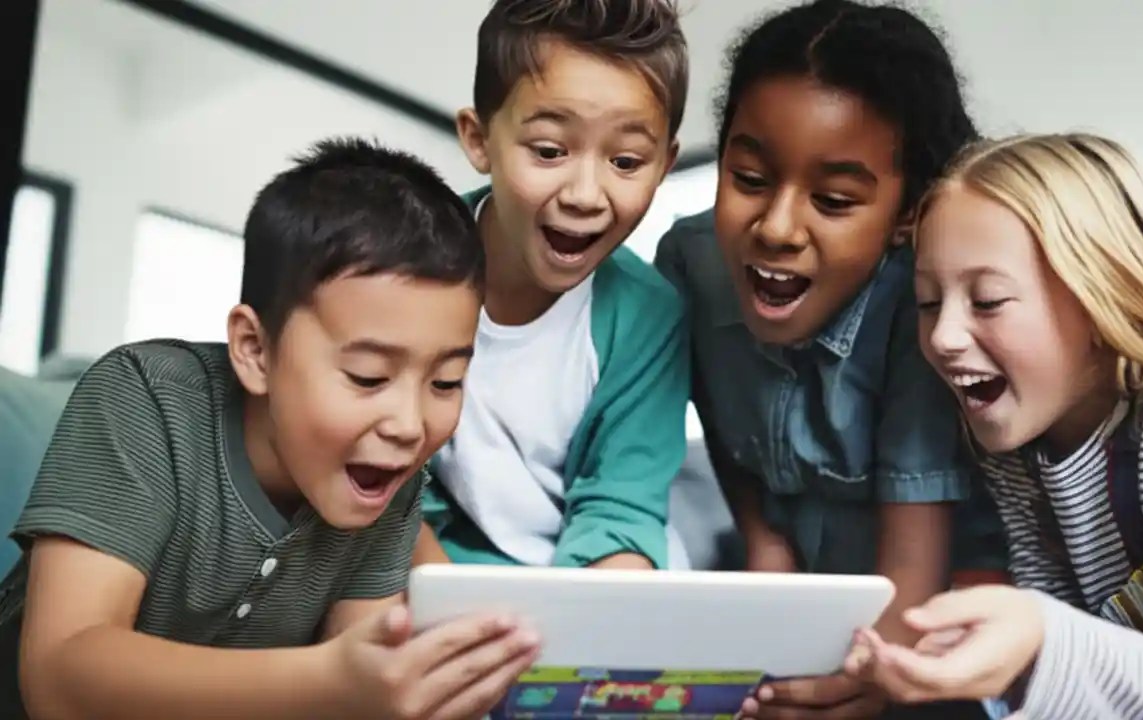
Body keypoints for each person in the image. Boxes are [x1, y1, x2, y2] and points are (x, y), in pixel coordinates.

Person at [0, 138, 541, 720]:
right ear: (256, 350)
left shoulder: (388, 481)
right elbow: (58, 680)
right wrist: (329, 678)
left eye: (446, 382)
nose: (409, 427)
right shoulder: (146, 400)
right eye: (367, 376)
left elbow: (368, 680)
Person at [653, 1, 1007, 717]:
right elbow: (721, 420)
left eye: (835, 200)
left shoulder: (921, 306)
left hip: (932, 613)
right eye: (748, 179)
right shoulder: (690, 263)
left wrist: (867, 687)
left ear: (908, 214)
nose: (778, 228)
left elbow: (915, 547)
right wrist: (763, 540)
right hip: (798, 600)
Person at [854, 132, 1143, 719]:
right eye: (928, 303)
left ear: (1107, 293)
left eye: (988, 300)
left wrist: (1041, 637)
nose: (943, 337)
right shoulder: (1018, 442)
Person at [421, 0, 692, 571]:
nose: (586, 194)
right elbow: (392, 496)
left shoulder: (649, 316)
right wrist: (448, 606)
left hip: (588, 581)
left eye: (625, 161)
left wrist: (581, 626)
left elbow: (622, 510)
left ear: (664, 166)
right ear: (478, 139)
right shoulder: (405, 276)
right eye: (549, 151)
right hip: (438, 573)